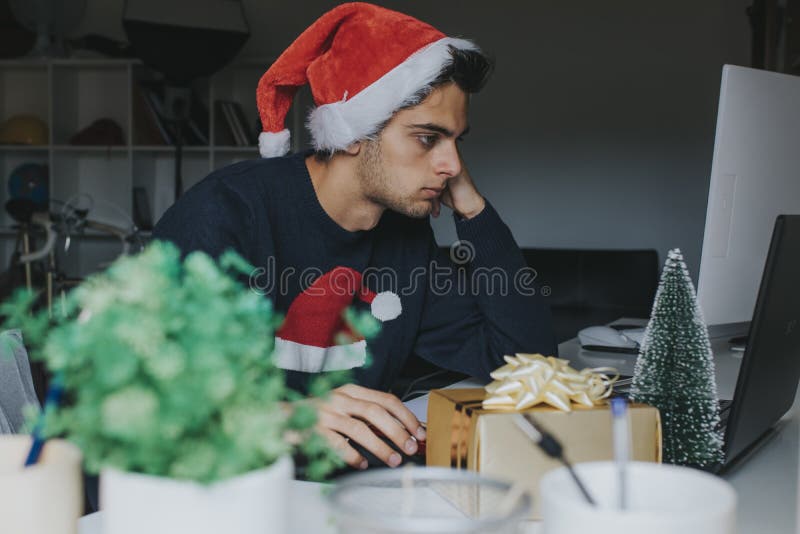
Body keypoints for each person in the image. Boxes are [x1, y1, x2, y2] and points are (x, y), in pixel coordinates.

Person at [153, 2, 556, 471]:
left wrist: (473, 210)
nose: (451, 165)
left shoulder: (405, 235)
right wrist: (286, 417)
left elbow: (528, 366)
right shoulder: (223, 215)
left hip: (354, 498)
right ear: (351, 133)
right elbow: (145, 404)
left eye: (457, 141)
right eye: (428, 138)